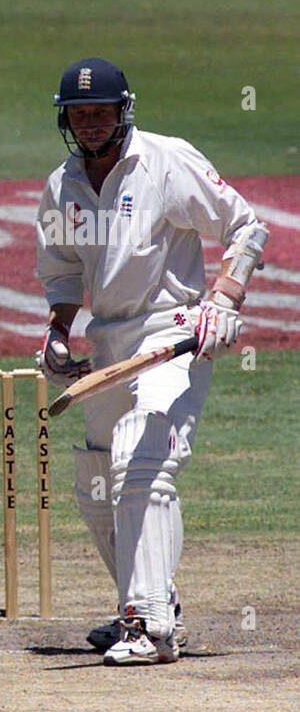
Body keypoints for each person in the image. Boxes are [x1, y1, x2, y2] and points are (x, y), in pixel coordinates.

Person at [34, 57, 268, 665]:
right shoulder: (63, 185)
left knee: (143, 463)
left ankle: (149, 625)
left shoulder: (166, 160)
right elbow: (61, 269)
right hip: (109, 343)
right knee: (93, 481)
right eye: (78, 114)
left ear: (122, 111)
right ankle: (147, 602)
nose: (89, 124)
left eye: (100, 112)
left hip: (173, 333)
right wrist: (58, 333)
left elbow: (246, 228)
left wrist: (223, 300)